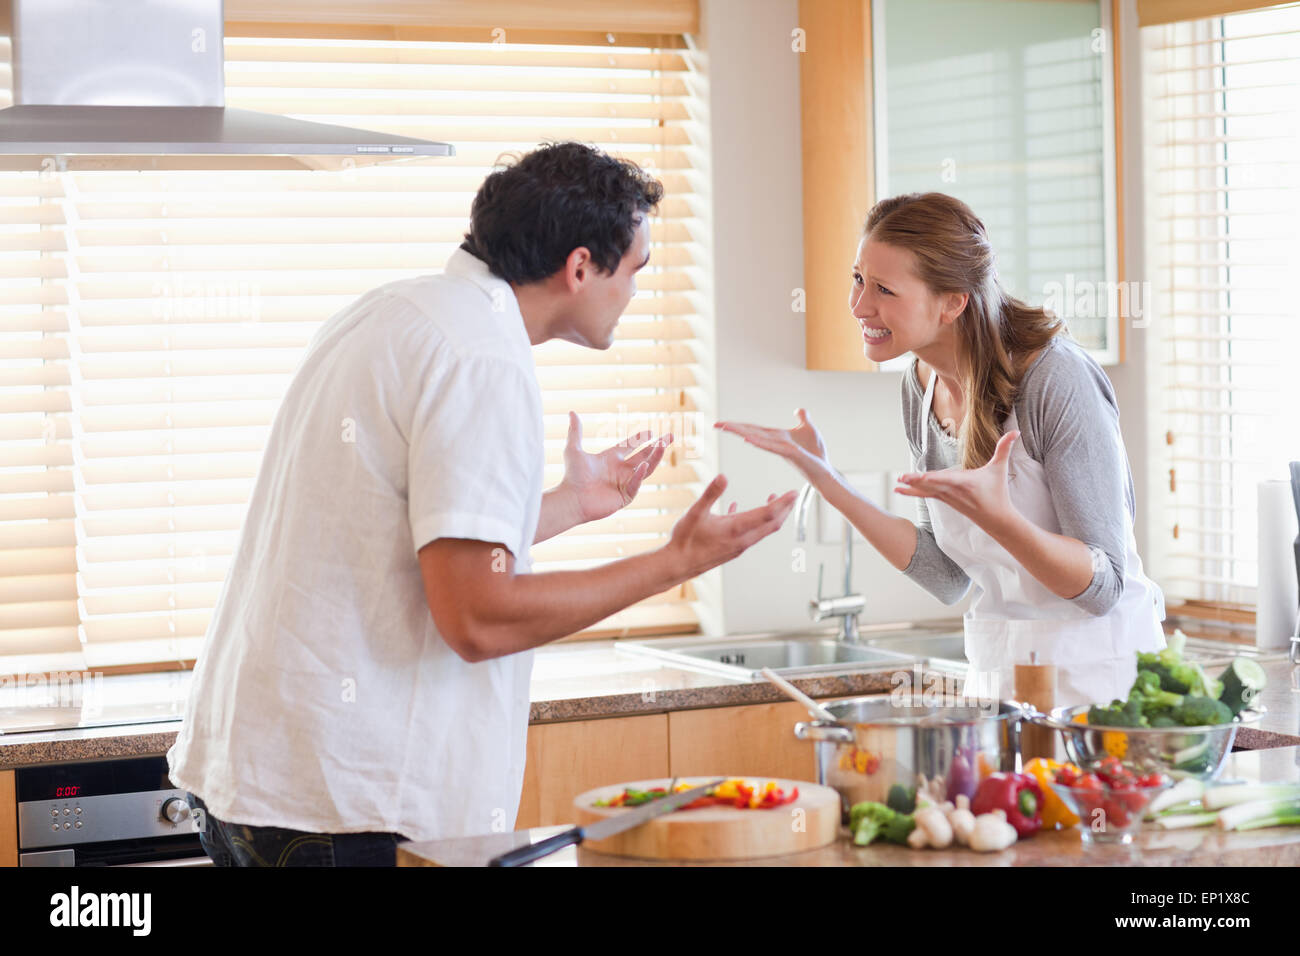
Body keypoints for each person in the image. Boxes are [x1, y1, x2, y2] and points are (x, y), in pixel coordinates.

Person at [167, 142, 797, 866]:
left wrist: (566, 505)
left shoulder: (395, 313)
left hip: (263, 791)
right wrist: (674, 562)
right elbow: (478, 617)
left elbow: (400, 535)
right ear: (581, 266)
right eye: (635, 271)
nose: (635, 293)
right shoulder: (483, 359)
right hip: (346, 811)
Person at [716, 191, 1165, 707]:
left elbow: (1103, 586)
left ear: (953, 302)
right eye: (858, 279)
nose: (859, 306)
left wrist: (1004, 521)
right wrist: (828, 481)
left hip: (1101, 686)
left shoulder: (1054, 379)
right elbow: (947, 575)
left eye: (884, 289)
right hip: (1001, 683)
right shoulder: (920, 384)